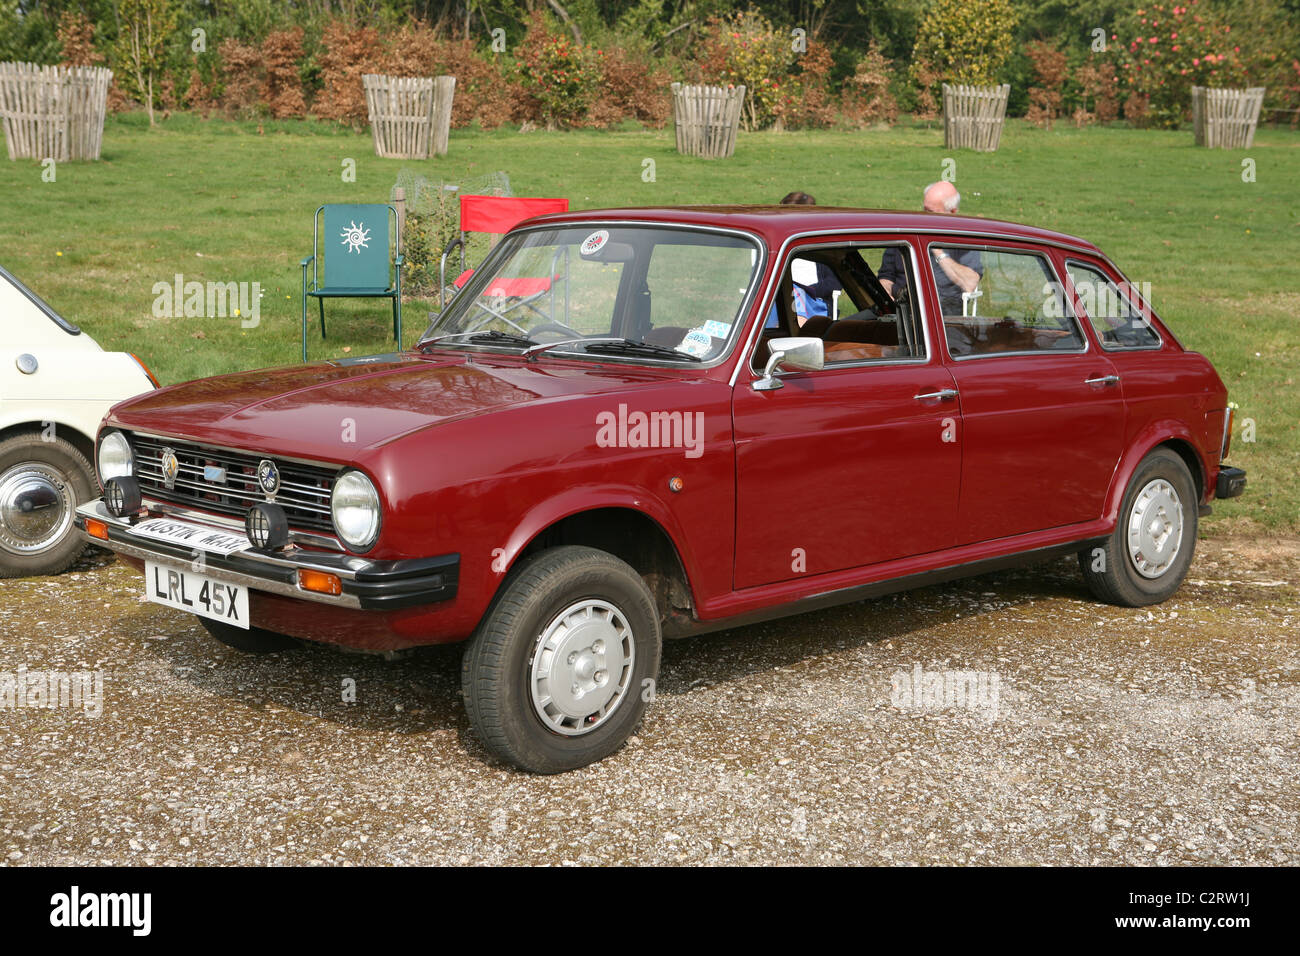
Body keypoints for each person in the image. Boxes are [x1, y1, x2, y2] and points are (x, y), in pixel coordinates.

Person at [878, 181, 983, 314]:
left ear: (953, 212)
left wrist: (937, 251)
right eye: (924, 209)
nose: (925, 216)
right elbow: (886, 276)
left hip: (941, 317)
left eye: (931, 212)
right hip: (898, 311)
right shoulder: (906, 233)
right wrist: (886, 292)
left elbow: (970, 283)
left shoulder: (964, 241)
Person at [766, 191, 843, 329]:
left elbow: (834, 283)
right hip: (779, 299)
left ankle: (798, 329)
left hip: (814, 302)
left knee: (795, 291)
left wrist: (807, 290)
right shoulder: (775, 244)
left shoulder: (823, 246)